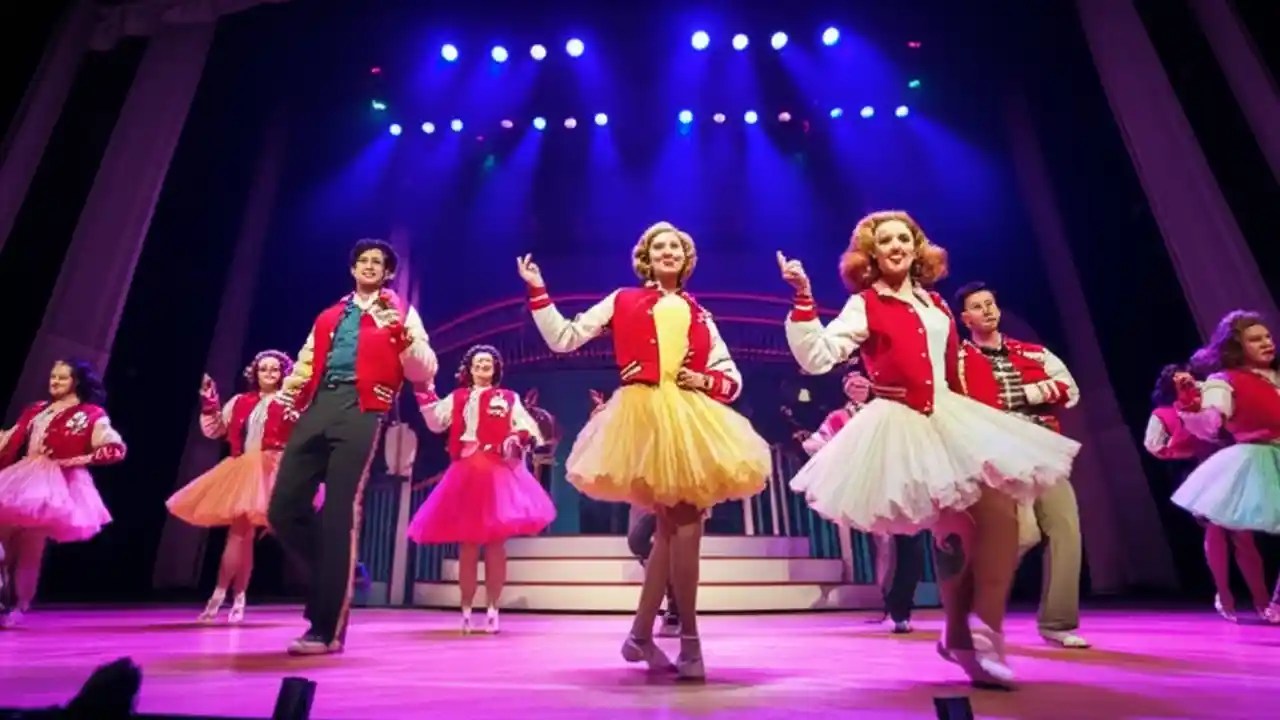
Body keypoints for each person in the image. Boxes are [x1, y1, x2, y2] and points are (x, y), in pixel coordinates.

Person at [777, 210, 1080, 688]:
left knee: (1000, 516)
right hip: (901, 426)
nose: (896, 246)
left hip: (950, 417)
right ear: (871, 253)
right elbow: (817, 357)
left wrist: (987, 420)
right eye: (885, 241)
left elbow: (953, 370)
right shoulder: (865, 304)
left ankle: (981, 631)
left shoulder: (937, 304)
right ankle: (965, 637)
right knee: (953, 533)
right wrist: (802, 298)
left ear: (917, 247)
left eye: (905, 238)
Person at [518, 221, 771, 679]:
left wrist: (707, 380)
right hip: (645, 417)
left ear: (687, 258)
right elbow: (565, 337)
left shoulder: (699, 312)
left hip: (691, 418)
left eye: (676, 246)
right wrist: (539, 292)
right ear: (646, 258)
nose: (669, 251)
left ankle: (640, 636)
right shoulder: (623, 299)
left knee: (673, 534)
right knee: (683, 527)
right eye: (660, 246)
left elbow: (729, 376)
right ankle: (689, 640)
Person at [268, 238, 438, 655]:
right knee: (282, 510)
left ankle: (325, 629)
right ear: (352, 269)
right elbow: (307, 361)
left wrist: (397, 333)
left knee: (339, 512)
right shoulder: (329, 315)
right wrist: (287, 397)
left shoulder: (401, 313)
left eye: (377, 262)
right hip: (319, 405)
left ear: (388, 273)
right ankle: (340, 571)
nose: (368, 266)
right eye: (362, 261)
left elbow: (423, 369)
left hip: (362, 409)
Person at [953, 281, 1089, 649]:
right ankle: (971, 607)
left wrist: (1030, 393)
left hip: (1041, 446)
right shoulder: (959, 361)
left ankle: (1058, 622)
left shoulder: (1032, 353)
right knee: (1020, 535)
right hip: (995, 451)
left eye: (991, 303)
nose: (988, 310)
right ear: (965, 318)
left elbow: (1070, 390)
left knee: (1065, 526)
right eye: (978, 307)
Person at [408, 344, 556, 634]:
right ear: (470, 368)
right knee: (467, 543)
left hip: (496, 473)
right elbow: (436, 421)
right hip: (465, 471)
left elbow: (530, 430)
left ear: (496, 368)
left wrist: (518, 437)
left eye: (488, 362)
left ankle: (492, 608)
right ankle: (465, 608)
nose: (483, 366)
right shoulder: (459, 397)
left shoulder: (508, 398)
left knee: (496, 544)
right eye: (478, 363)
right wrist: (422, 388)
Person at [166, 350, 297, 623]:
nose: (269, 374)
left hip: (272, 469)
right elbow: (216, 430)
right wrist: (209, 402)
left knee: (243, 536)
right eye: (264, 369)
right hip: (241, 469)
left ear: (284, 374)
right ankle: (230, 596)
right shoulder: (240, 401)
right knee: (240, 535)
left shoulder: (290, 403)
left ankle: (228, 596)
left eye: (275, 370)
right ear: (255, 373)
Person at [1170, 310, 1280, 623]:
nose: (1266, 343)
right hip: (1260, 458)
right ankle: (1265, 602)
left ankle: (1274, 602)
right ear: (1237, 346)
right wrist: (1192, 404)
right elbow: (1209, 424)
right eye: (1255, 340)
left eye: (1268, 337)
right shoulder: (1224, 382)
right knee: (1231, 537)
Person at [0, 359, 126, 626]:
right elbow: (11, 439)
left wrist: (78, 459)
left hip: (54, 482)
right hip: (23, 475)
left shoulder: (90, 413)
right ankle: (5, 596)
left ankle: (18, 604)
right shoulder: (35, 410)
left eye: (62, 377)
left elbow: (111, 445)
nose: (54, 382)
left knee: (29, 547)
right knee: (5, 540)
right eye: (53, 376)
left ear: (76, 382)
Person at [801, 369, 925, 634]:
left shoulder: (885, 411)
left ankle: (897, 604)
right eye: (852, 384)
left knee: (905, 540)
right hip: (869, 483)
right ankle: (888, 603)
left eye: (862, 383)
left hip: (896, 476)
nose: (858, 387)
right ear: (845, 389)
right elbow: (814, 444)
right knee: (882, 542)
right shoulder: (840, 417)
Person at [1144, 363, 1269, 622]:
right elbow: (1154, 445)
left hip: (1232, 468)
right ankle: (1225, 595)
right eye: (1179, 381)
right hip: (1201, 472)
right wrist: (1181, 450)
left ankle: (1261, 600)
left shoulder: (1212, 399)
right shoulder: (1166, 413)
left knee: (1243, 537)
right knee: (1216, 533)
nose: (1188, 383)